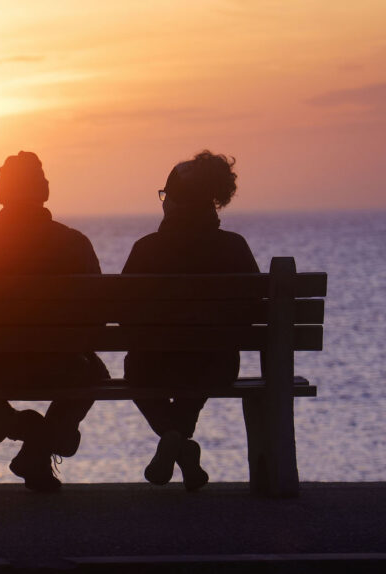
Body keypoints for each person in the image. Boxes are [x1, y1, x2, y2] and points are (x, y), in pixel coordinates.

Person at [0, 151, 108, 492]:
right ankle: (51, 435)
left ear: (1, 194)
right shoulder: (75, 244)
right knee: (98, 373)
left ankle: (22, 428)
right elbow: (98, 319)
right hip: (63, 368)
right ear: (44, 191)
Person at [122, 150, 259, 491]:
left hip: (151, 367)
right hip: (216, 366)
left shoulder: (146, 249)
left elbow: (120, 316)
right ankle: (181, 443)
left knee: (134, 372)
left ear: (173, 202)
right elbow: (254, 313)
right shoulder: (234, 248)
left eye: (165, 195)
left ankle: (173, 436)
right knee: (203, 367)